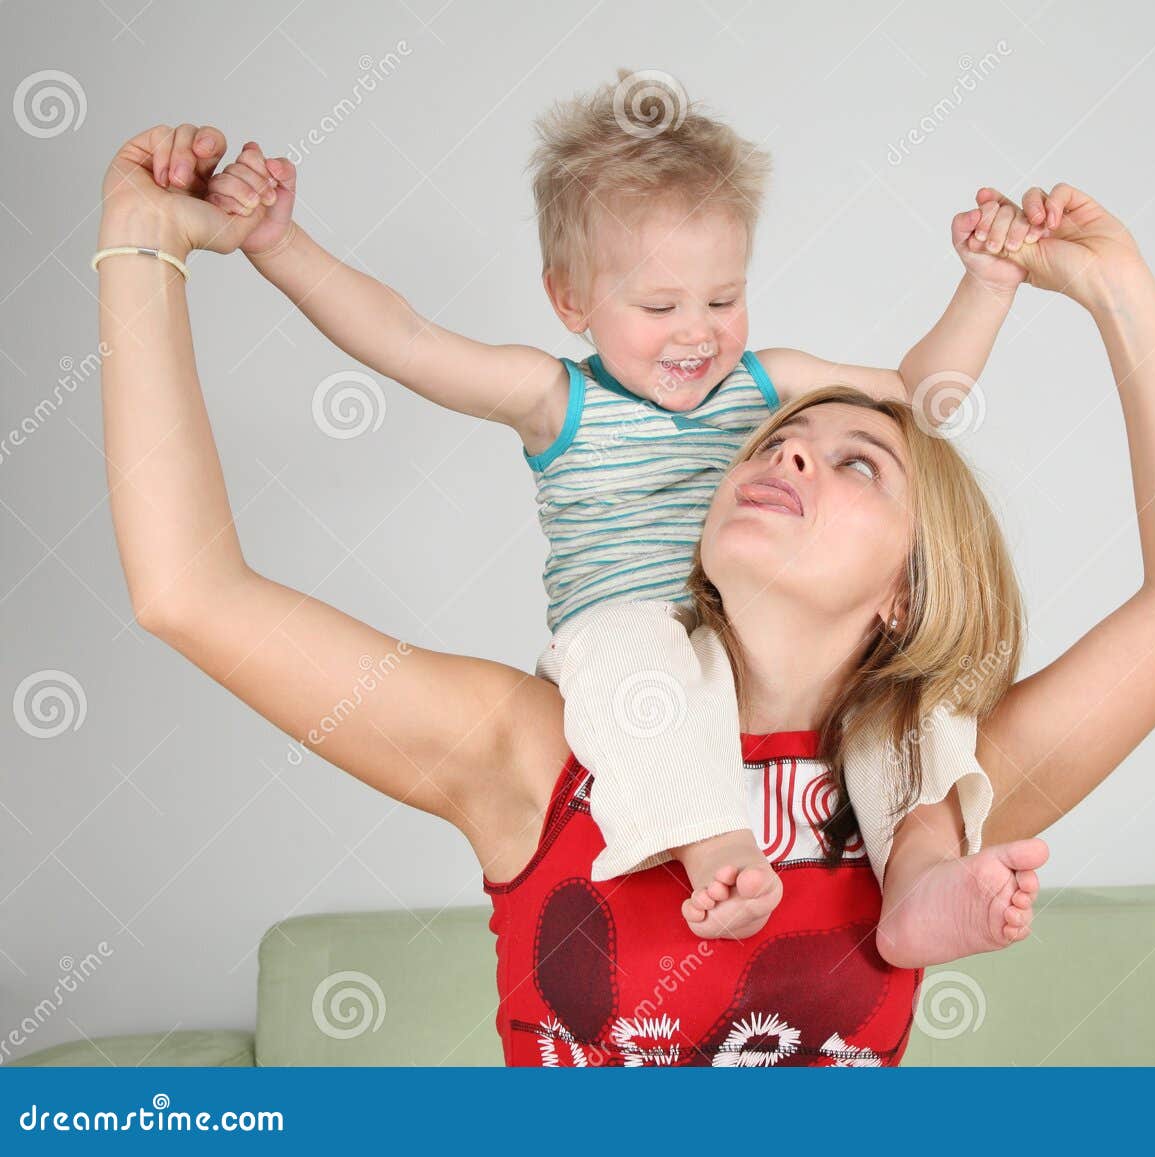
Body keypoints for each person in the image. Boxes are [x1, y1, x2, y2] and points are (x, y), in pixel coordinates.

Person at [94, 121, 1155, 1065]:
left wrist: (1114, 288)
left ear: (906, 587)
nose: (791, 449)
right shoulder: (539, 752)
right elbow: (190, 590)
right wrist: (143, 245)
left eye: (859, 460)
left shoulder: (938, 782)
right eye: (776, 445)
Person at [186, 71, 1040, 945]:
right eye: (659, 305)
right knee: (632, 645)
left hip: (752, 658)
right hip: (622, 657)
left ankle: (918, 884)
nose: (697, 332)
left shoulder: (770, 383)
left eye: (723, 299)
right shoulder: (558, 401)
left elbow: (914, 401)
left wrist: (988, 286)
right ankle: (716, 845)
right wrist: (278, 245)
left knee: (907, 706)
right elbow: (405, 341)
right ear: (571, 299)